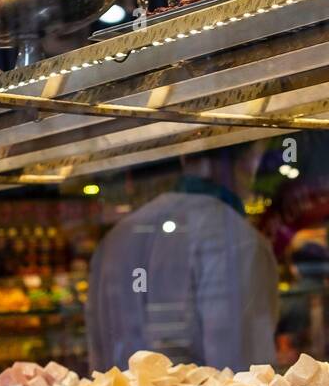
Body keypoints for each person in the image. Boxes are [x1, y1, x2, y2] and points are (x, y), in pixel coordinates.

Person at [86, 145, 278, 372]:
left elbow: (97, 360)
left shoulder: (115, 239)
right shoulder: (233, 237)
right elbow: (245, 377)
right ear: (249, 160)